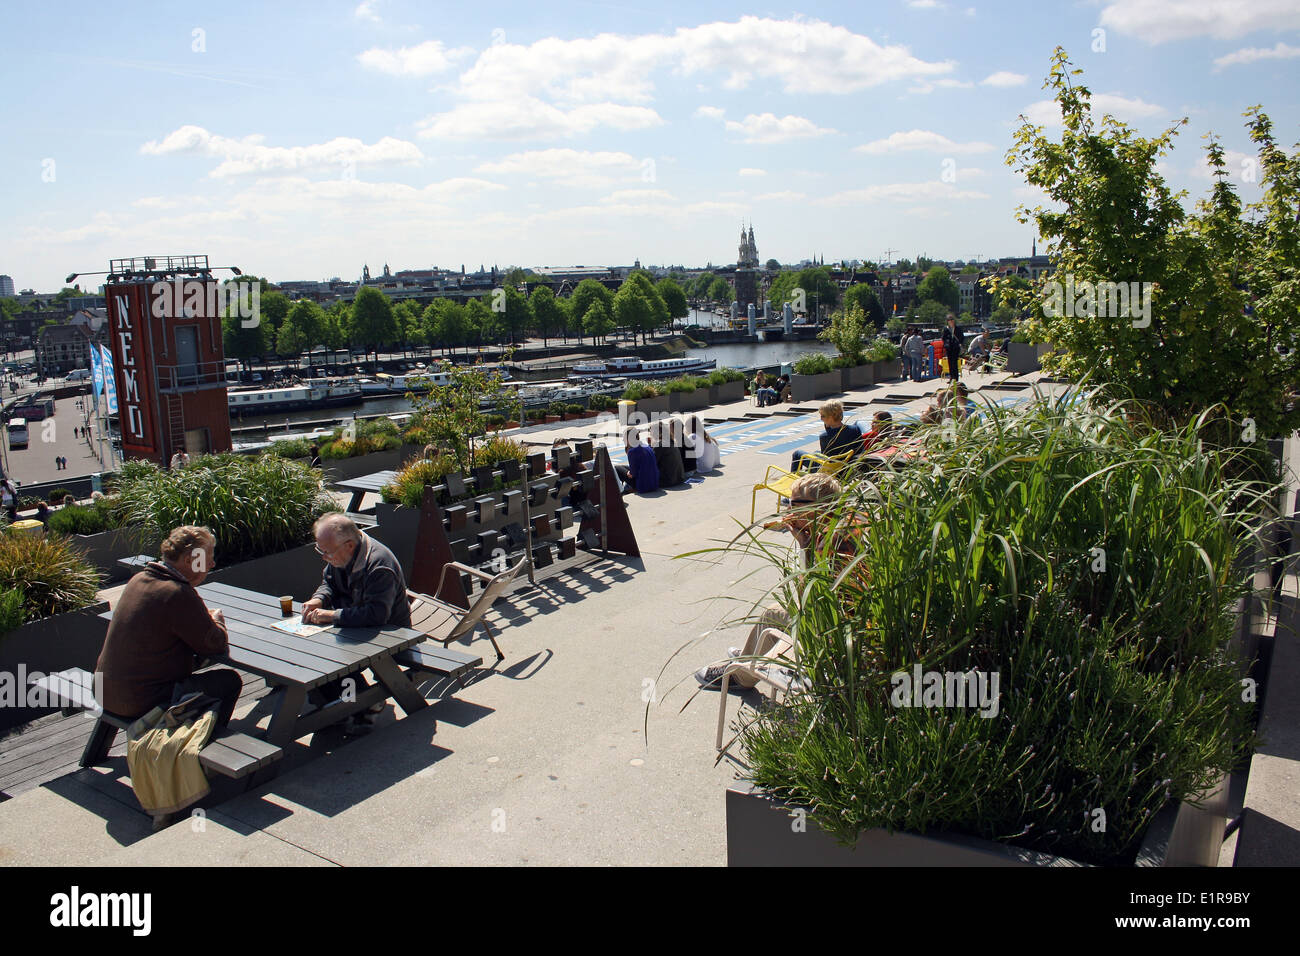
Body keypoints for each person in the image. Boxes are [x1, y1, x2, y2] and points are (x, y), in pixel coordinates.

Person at [695, 473, 865, 687]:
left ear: (817, 507)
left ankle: (740, 675)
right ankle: (752, 654)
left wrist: (804, 548)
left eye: (793, 504)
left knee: (773, 612)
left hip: (835, 637)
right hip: (853, 627)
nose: (788, 510)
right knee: (776, 613)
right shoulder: (845, 525)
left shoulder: (827, 543)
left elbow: (810, 605)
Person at [94, 525, 242, 730]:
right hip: (138, 701)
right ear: (190, 560)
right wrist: (216, 620)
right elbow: (215, 644)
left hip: (104, 691)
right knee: (229, 681)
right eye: (207, 558)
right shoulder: (177, 593)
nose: (212, 563)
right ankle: (198, 743)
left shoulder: (139, 580)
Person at [300, 514, 411, 735]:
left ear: (349, 545)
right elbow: (329, 582)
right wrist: (318, 599)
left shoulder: (379, 565)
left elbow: (376, 615)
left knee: (336, 662)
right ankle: (339, 707)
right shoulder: (342, 555)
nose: (324, 557)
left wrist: (331, 616)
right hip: (355, 626)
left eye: (327, 552)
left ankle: (361, 704)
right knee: (310, 655)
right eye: (320, 550)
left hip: (388, 632)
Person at [792, 400, 863, 471]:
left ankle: (794, 479)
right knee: (816, 453)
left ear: (831, 417)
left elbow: (825, 459)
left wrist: (828, 430)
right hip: (847, 468)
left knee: (797, 454)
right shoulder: (855, 429)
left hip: (829, 470)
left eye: (823, 416)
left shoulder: (825, 437)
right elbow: (859, 450)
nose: (821, 419)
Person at [615, 427, 659, 495]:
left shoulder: (632, 451)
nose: (623, 440)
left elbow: (632, 474)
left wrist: (629, 473)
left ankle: (621, 491)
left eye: (624, 438)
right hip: (654, 483)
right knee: (622, 467)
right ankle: (627, 488)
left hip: (643, 486)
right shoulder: (646, 446)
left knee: (617, 469)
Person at [652, 420, 686, 488]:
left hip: (667, 482)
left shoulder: (660, 444)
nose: (650, 434)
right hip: (679, 478)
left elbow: (651, 464)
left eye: (651, 431)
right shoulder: (671, 441)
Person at [942, 314, 964, 383]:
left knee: (954, 363)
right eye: (949, 320)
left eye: (952, 319)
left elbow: (962, 337)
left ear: (954, 320)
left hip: (955, 348)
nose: (951, 321)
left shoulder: (958, 328)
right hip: (949, 348)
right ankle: (951, 377)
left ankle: (956, 378)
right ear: (947, 321)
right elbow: (943, 338)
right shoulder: (946, 329)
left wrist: (959, 343)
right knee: (950, 363)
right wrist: (946, 343)